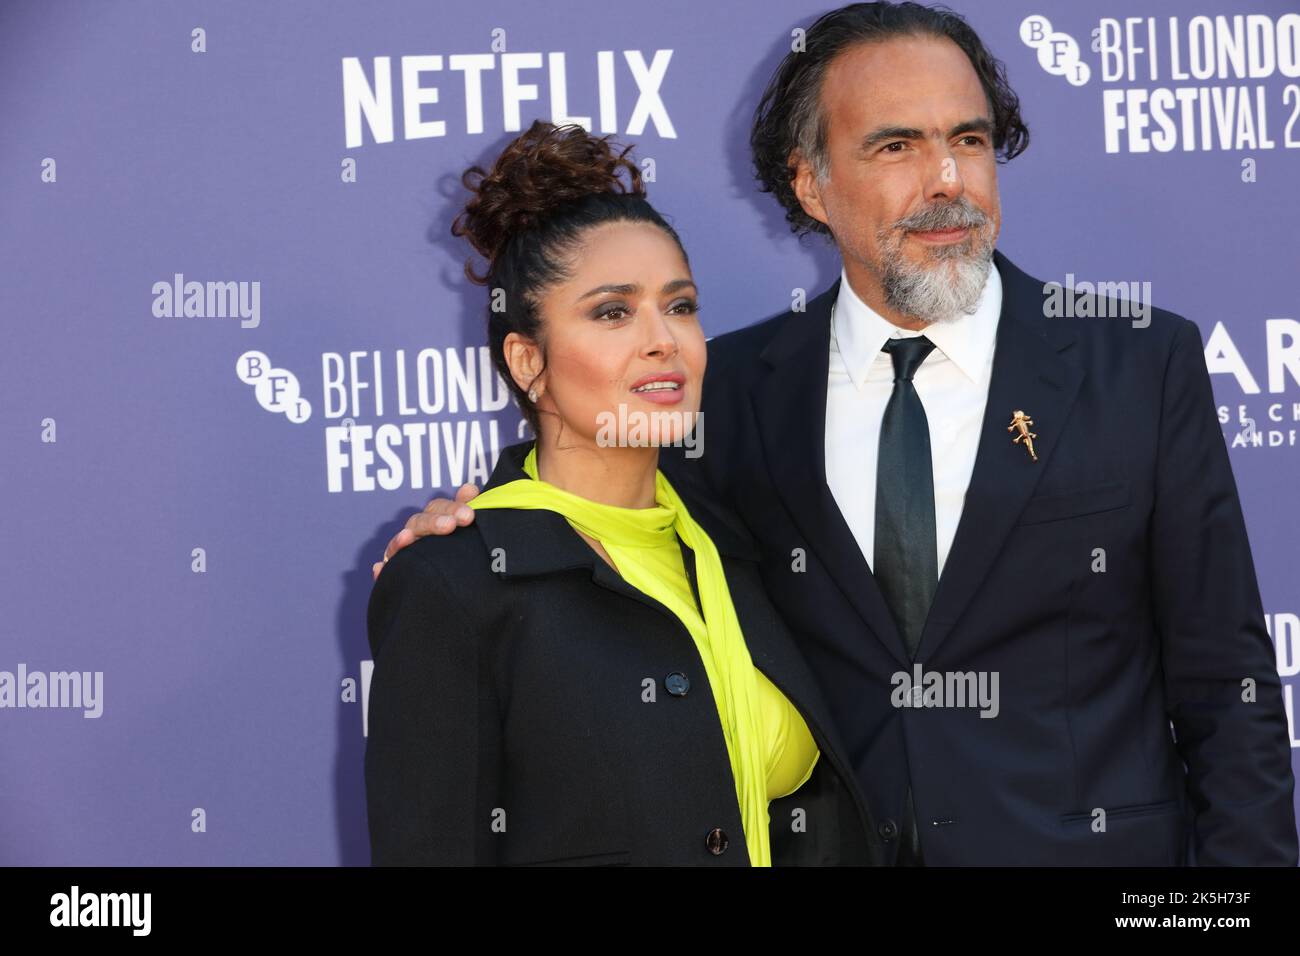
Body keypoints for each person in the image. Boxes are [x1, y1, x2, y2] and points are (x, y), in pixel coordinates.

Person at [380, 2, 1298, 866]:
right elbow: (606, 500)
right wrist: (480, 526)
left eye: (968, 140)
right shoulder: (729, 392)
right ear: (811, 184)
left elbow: (1229, 693)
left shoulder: (1139, 363)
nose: (947, 179)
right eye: (896, 144)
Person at [364, 119, 882, 866]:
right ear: (528, 360)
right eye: (612, 312)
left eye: (679, 306)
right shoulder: (457, 581)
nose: (663, 339)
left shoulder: (738, 538)